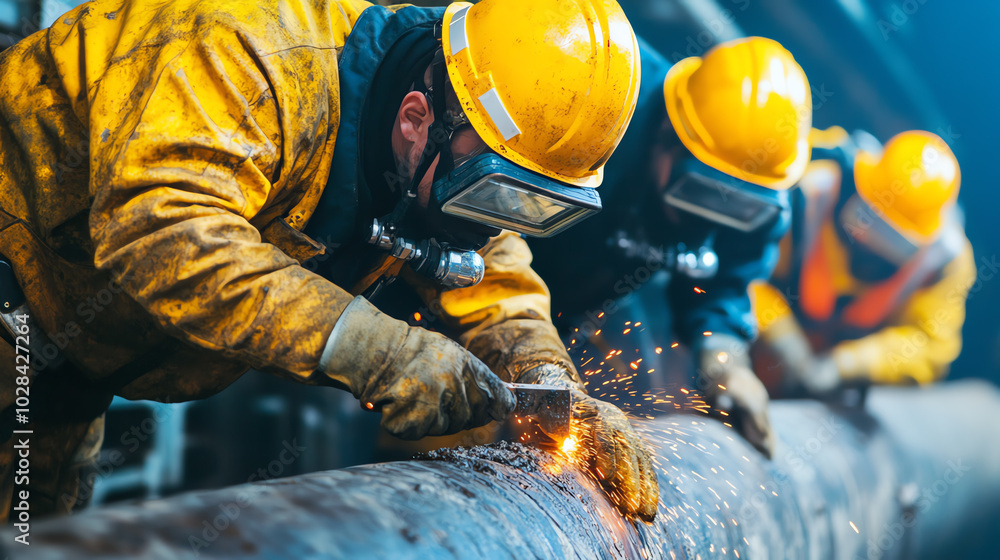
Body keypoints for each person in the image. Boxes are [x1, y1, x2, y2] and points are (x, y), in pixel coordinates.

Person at [0, 0, 658, 522]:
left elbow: (500, 281)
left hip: (66, 362)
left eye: (526, 204)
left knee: (34, 537)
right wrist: (375, 350)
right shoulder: (249, 49)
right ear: (414, 116)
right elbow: (164, 236)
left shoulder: (439, 157)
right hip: (15, 296)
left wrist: (554, 390)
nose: (492, 225)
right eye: (491, 194)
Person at [529, 36, 813, 459]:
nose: (711, 219)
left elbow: (725, 284)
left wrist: (724, 356)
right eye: (700, 192)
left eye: (736, 206)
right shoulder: (602, 99)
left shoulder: (761, 193)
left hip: (589, 304)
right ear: (667, 133)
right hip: (506, 269)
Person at [750, 128, 975, 397]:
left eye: (894, 237)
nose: (869, 238)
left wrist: (848, 365)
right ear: (859, 184)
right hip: (753, 348)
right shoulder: (809, 176)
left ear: (923, 241)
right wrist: (780, 333)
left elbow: (929, 345)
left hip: (836, 397)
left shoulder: (946, 263)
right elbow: (738, 266)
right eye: (869, 215)